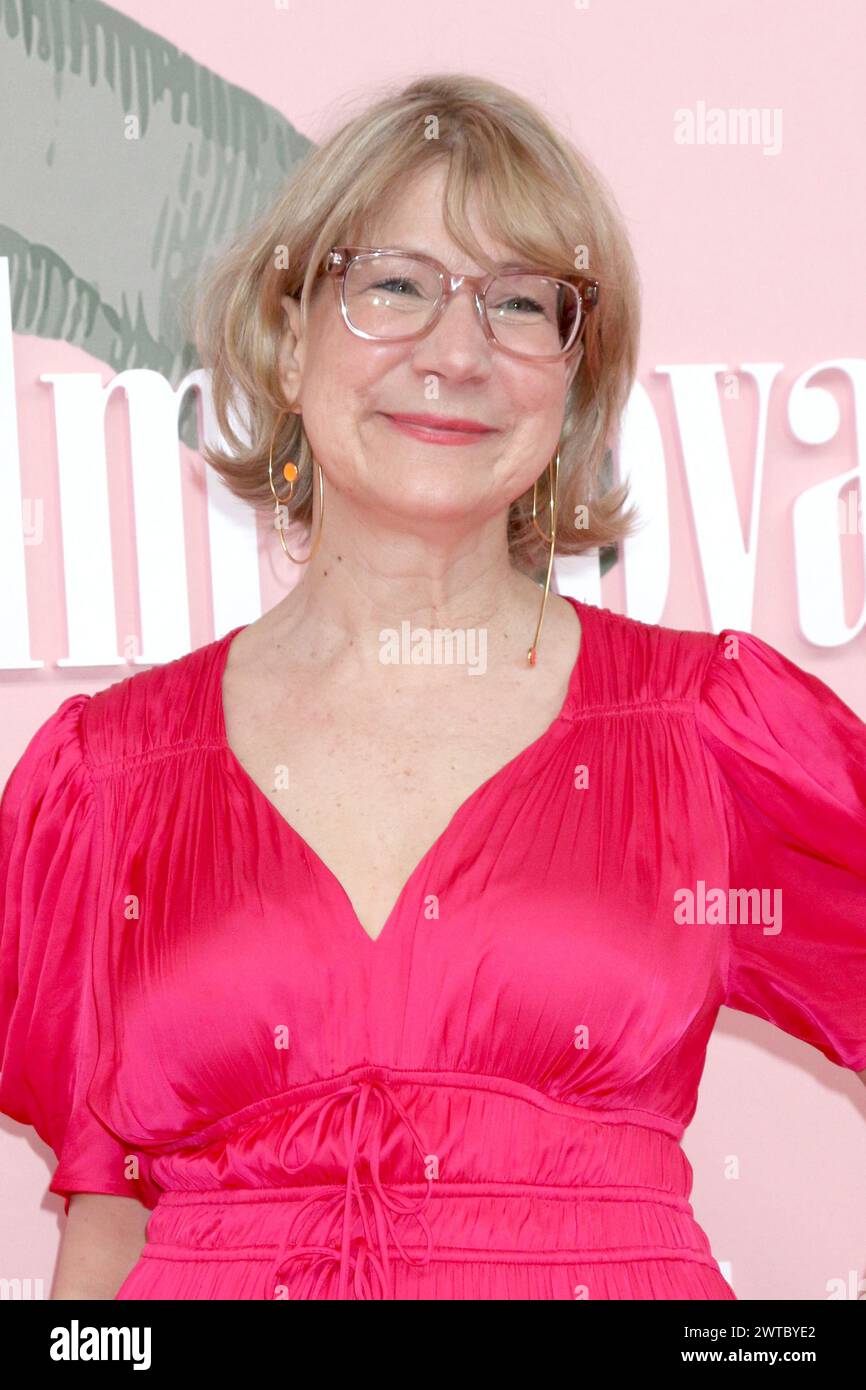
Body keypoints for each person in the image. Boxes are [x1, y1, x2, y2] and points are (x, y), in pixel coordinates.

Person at [1, 73, 865, 1302]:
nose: (455, 351)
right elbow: (105, 1242)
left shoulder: (708, 735)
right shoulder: (104, 780)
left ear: (569, 382)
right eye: (393, 286)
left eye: (519, 303)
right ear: (286, 339)